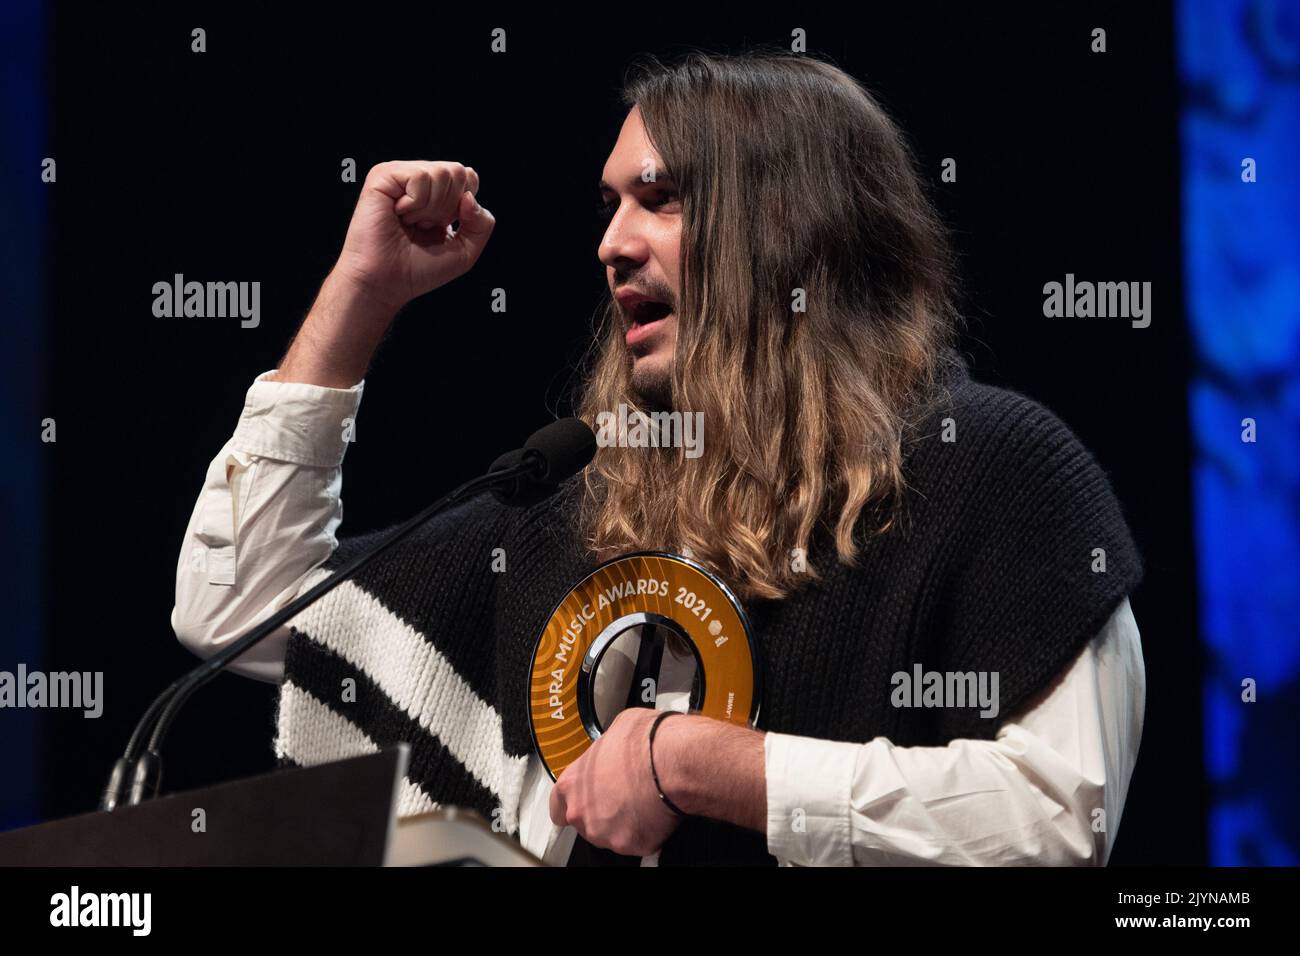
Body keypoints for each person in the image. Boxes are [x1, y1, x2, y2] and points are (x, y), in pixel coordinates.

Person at [172, 50, 1145, 866]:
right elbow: (236, 609)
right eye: (608, 204)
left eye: (661, 199)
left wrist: (708, 765)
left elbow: (1060, 812)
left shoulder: (990, 468)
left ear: (792, 227)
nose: (610, 242)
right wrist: (359, 297)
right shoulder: (588, 505)